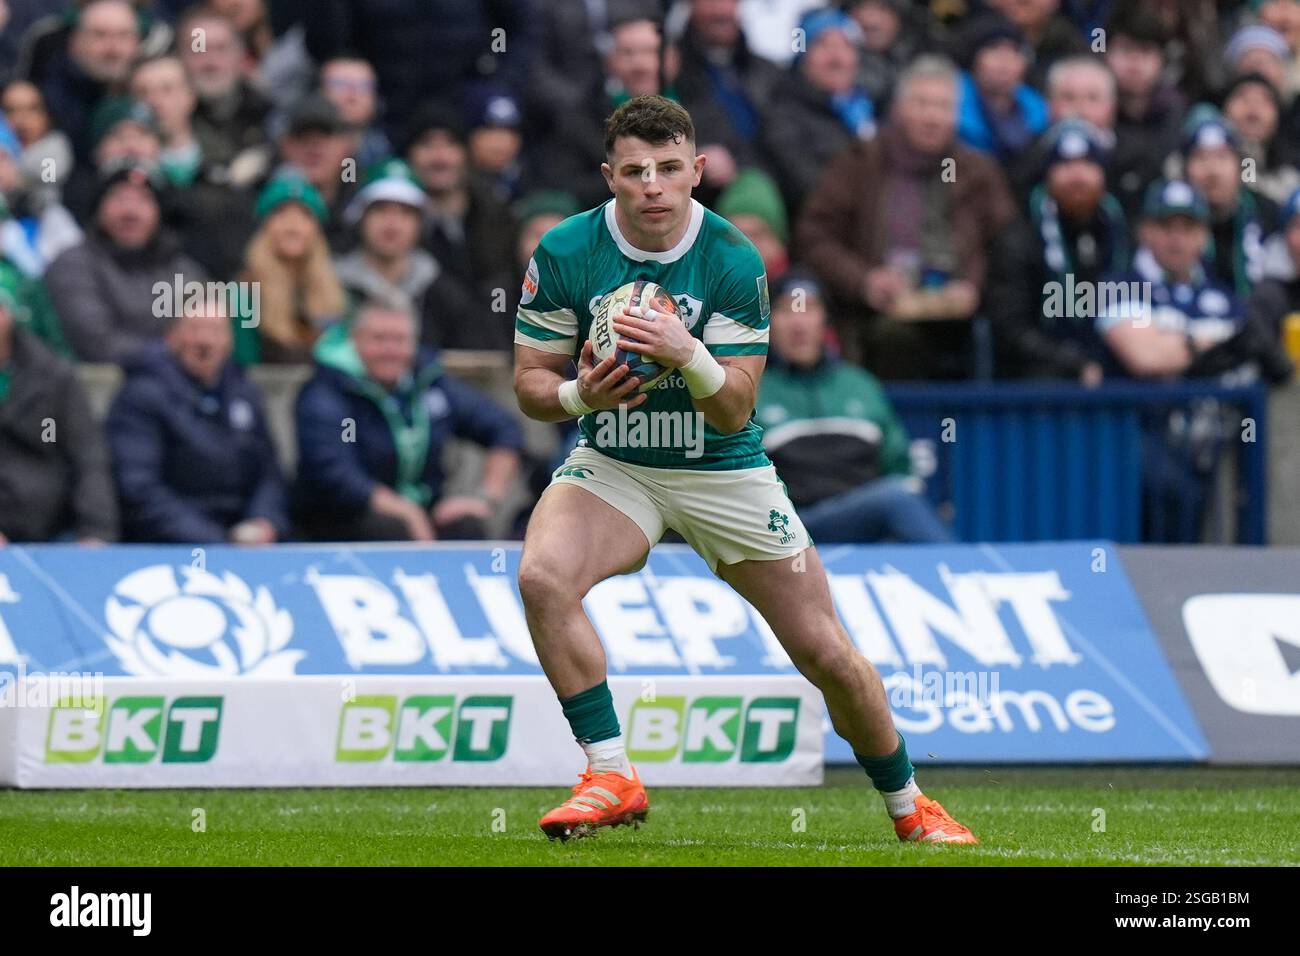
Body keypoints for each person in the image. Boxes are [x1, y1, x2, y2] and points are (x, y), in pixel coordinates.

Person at [513, 94, 976, 843]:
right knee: (541, 577)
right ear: (610, 177)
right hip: (617, 459)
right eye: (635, 172)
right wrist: (577, 392)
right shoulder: (565, 252)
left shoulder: (731, 257)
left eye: (669, 168)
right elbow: (530, 385)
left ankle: (910, 803)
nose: (653, 186)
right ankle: (610, 772)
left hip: (723, 469)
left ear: (697, 172)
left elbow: (733, 409)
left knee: (827, 652)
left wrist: (682, 350)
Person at [798, 55, 1016, 379]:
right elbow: (813, 236)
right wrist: (865, 280)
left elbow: (1008, 247)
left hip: (960, 315)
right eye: (922, 104)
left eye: (943, 106)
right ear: (900, 109)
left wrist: (974, 285)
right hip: (877, 314)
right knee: (894, 338)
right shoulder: (861, 161)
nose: (932, 116)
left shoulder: (978, 171)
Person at [293, 297, 523, 542]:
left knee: (466, 528)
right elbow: (335, 475)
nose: (390, 351)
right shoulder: (326, 390)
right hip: (341, 520)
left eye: (400, 340)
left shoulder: (428, 379)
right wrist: (405, 512)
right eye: (379, 339)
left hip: (423, 509)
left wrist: (485, 498)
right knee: (391, 531)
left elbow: (504, 428)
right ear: (354, 340)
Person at [758, 272, 951, 543]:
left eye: (809, 309)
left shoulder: (861, 385)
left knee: (900, 502)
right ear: (768, 323)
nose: (798, 323)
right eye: (785, 311)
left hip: (865, 524)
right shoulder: (753, 390)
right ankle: (964, 574)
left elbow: (900, 467)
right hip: (790, 527)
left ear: (825, 322)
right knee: (896, 500)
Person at [106, 304, 289, 544]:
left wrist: (264, 520)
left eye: (215, 330)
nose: (205, 341)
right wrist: (216, 541)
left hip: (245, 539)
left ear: (229, 340)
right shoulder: (141, 395)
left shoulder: (244, 392)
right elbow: (138, 488)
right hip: (169, 543)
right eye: (194, 329)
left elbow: (269, 473)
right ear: (172, 336)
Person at [45, 161, 207, 363]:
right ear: (98, 209)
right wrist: (170, 354)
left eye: (143, 200)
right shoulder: (72, 265)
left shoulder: (184, 270)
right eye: (119, 198)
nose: (130, 212)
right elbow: (96, 343)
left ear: (158, 213)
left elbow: (208, 337)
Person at [0, 274, 117, 545]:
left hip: (51, 532)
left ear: (12, 313)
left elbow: (88, 456)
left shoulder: (54, 376)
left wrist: (96, 531)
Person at [238, 171, 346, 363]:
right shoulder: (243, 296)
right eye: (280, 213)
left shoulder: (336, 294)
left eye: (305, 215)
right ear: (265, 225)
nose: (293, 225)